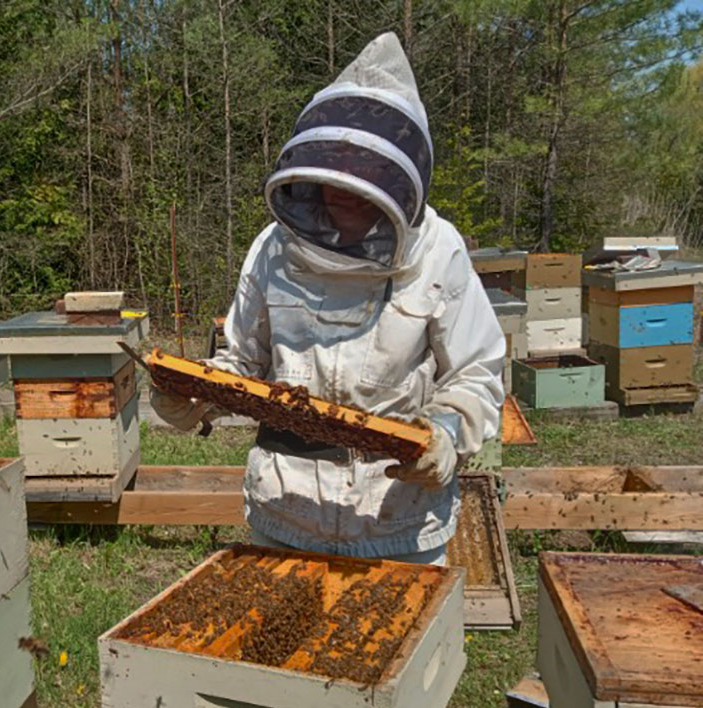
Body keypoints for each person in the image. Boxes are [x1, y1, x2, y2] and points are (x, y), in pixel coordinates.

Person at [151, 32, 505, 566]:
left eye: (364, 169)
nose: (344, 185)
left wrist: (446, 435)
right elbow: (241, 364)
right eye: (335, 164)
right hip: (285, 512)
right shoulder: (273, 249)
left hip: (398, 521)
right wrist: (191, 395)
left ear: (400, 175)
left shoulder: (438, 250)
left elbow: (476, 372)